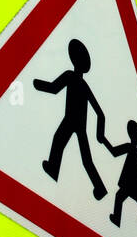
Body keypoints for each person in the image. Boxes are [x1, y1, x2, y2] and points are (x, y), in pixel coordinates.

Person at [33, 38, 107, 199]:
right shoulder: (83, 84)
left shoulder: (70, 76)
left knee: (60, 141)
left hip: (72, 120)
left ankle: (53, 168)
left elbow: (53, 88)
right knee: (85, 159)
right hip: (79, 124)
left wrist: (37, 84)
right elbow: (100, 113)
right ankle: (99, 188)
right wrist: (99, 133)